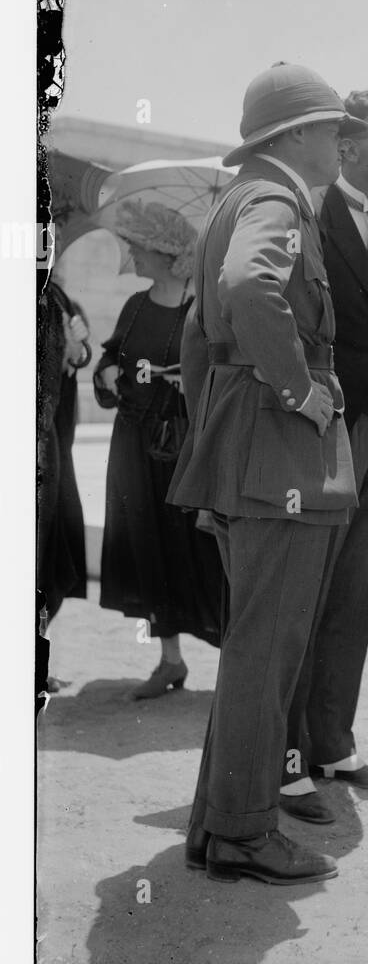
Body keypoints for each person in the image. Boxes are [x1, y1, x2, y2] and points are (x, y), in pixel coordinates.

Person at [168, 61, 368, 886]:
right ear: (293, 136)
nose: (342, 144)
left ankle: (221, 824)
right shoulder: (278, 199)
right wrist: (299, 389)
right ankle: (246, 834)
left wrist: (221, 429)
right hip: (280, 447)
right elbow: (250, 289)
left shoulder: (236, 199)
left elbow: (193, 338)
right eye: (333, 130)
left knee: (256, 641)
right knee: (267, 646)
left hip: (248, 443)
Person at [281, 90, 368, 823]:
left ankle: (332, 739)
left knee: (356, 590)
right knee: (311, 590)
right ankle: (289, 756)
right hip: (327, 428)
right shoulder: (308, 219)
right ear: (350, 146)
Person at [93, 201, 224, 697]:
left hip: (188, 446)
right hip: (135, 444)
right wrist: (106, 372)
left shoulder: (204, 308)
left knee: (202, 547)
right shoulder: (135, 306)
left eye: (138, 247)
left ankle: (235, 662)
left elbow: (224, 373)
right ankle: (171, 660)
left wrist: (192, 383)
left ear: (164, 252)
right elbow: (111, 357)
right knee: (150, 547)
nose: (132, 255)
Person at [37, 278, 90, 689]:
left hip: (53, 441)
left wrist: (78, 347)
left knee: (50, 552)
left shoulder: (55, 293)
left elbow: (78, 355)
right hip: (35, 441)